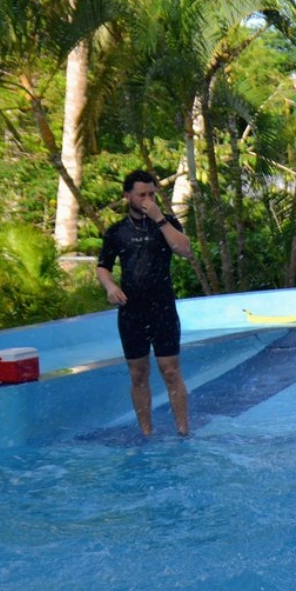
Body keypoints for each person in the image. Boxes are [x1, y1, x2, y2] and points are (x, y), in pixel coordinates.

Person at [96, 170, 195, 437]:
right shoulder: (117, 232)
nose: (147, 199)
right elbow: (103, 266)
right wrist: (110, 287)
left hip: (162, 307)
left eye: (151, 194)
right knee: (138, 373)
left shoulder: (167, 222)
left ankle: (183, 431)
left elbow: (185, 249)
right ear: (127, 196)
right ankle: (147, 432)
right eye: (142, 195)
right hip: (132, 311)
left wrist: (159, 219)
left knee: (170, 370)